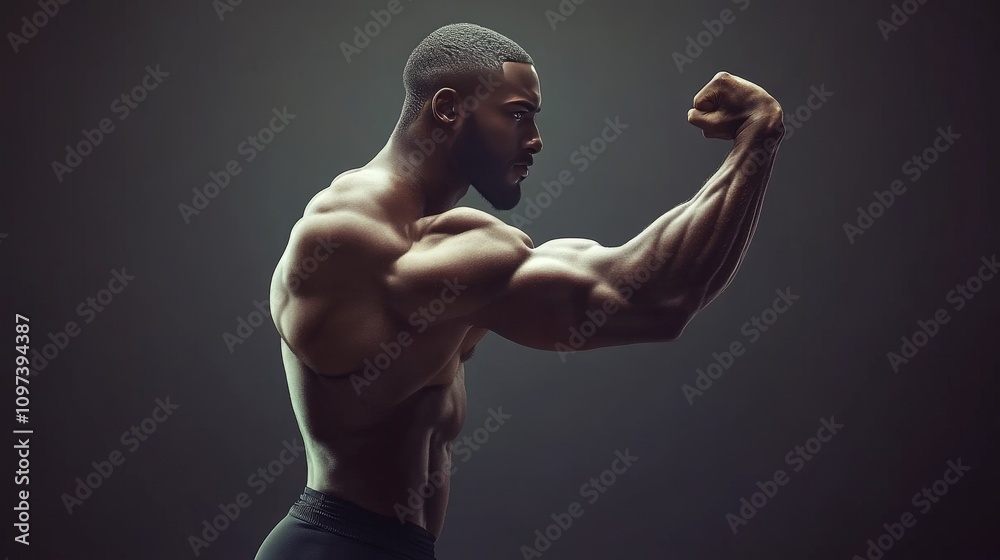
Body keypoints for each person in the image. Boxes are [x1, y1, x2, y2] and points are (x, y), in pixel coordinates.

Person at [255, 22, 784, 560]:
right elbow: (652, 301)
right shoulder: (358, 236)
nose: (534, 140)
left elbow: (650, 293)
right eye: (517, 114)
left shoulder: (441, 242)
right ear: (446, 108)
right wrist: (755, 140)